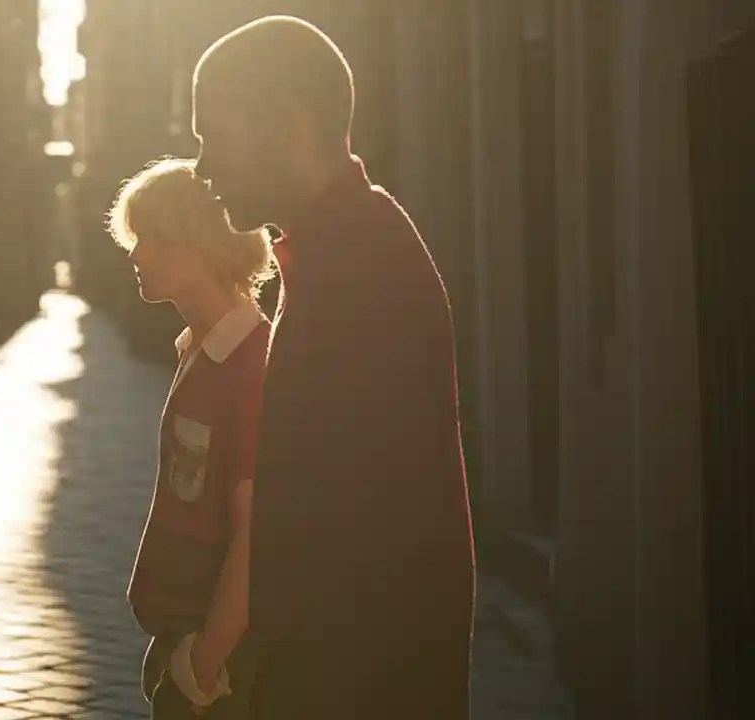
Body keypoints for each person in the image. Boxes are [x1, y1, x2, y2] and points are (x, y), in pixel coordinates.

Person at [191, 16, 477, 718]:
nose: (201, 167)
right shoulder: (328, 252)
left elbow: (367, 544)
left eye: (213, 137)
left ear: (289, 124)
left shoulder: (364, 267)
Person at [108, 157, 275, 717]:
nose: (137, 254)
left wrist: (202, 667)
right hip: (181, 643)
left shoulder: (252, 365)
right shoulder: (197, 349)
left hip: (217, 668)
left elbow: (255, 535)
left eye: (155, 238)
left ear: (204, 243)